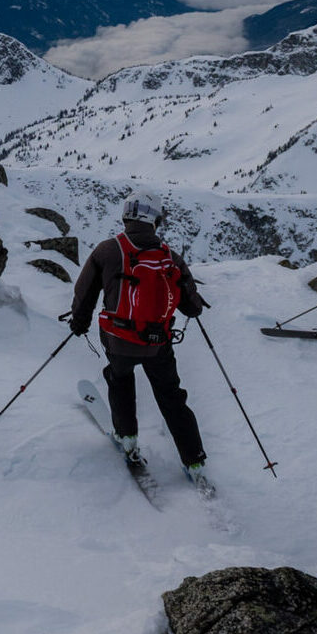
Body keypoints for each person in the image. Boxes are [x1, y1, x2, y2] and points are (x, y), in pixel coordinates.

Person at [70, 189, 208, 476]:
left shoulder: (107, 251)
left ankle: (128, 438)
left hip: (119, 339)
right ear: (154, 219)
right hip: (159, 342)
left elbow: (84, 294)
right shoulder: (170, 257)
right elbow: (192, 307)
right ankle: (194, 460)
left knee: (119, 379)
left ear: (126, 215)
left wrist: (79, 323)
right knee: (172, 397)